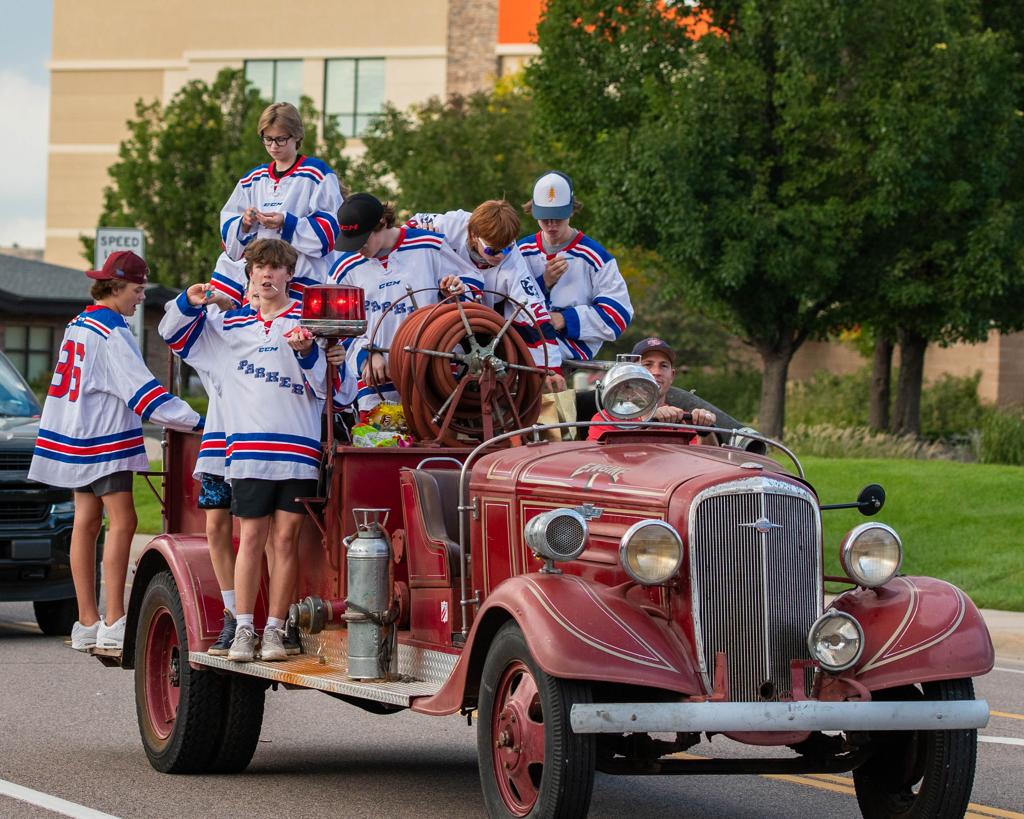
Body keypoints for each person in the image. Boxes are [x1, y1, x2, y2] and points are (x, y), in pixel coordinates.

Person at [160, 239, 331, 662]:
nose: (268, 275)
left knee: (287, 539)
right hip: (250, 452)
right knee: (250, 537)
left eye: (277, 268)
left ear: (290, 274)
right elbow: (172, 334)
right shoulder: (230, 327)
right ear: (249, 274)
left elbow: (330, 387)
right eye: (260, 268)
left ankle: (274, 630)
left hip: (298, 449)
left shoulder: (310, 321)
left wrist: (309, 351)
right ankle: (244, 628)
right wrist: (190, 300)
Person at [28, 251, 202, 651]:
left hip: (72, 433)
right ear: (116, 287)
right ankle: (113, 620)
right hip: (103, 439)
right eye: (138, 290)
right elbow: (143, 393)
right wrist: (194, 420)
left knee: (85, 524)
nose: (141, 298)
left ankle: (86, 621)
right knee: (123, 520)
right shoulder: (112, 332)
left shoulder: (78, 323)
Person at [327, 193, 467, 415]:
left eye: (362, 240)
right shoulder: (344, 269)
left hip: (435, 371)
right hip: (375, 378)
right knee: (380, 444)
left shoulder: (428, 245)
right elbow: (337, 331)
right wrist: (367, 354)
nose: (357, 248)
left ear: (381, 223)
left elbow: (473, 282)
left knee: (440, 445)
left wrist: (457, 287)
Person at [406, 201, 563, 388]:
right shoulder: (452, 224)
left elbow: (535, 314)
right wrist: (421, 236)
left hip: (481, 326)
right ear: (473, 235)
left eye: (507, 248)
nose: (501, 256)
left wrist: (551, 368)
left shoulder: (514, 263)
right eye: (493, 250)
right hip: (435, 310)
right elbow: (407, 227)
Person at [220, 102, 343, 301]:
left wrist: (286, 222)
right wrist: (244, 224)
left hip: (305, 283)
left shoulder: (317, 174)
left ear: (297, 136)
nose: (274, 146)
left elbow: (329, 232)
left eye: (281, 139)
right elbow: (230, 245)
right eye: (268, 139)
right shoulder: (252, 179)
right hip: (261, 288)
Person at [518, 171, 634, 362]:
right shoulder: (521, 251)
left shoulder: (595, 256)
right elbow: (504, 301)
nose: (551, 224)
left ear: (571, 210)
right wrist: (543, 283)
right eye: (545, 218)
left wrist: (564, 319)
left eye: (558, 217)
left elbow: (619, 314)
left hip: (572, 347)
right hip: (527, 338)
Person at [588, 338, 716, 441]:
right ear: (631, 372)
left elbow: (704, 463)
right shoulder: (606, 418)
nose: (656, 372)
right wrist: (649, 422)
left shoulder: (683, 419)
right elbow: (601, 462)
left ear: (672, 375)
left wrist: (705, 429)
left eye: (663, 365)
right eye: (647, 365)